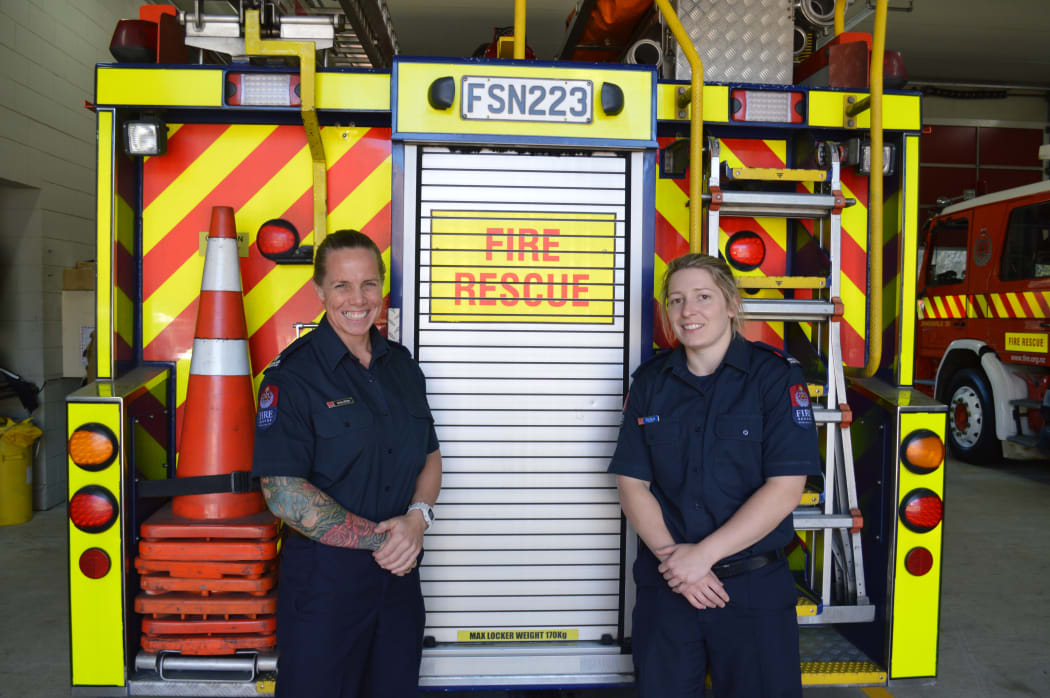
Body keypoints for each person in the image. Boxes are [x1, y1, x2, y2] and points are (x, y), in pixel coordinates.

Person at [608, 253, 821, 697]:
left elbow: (785, 488)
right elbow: (631, 483)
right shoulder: (649, 382)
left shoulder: (774, 378)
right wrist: (677, 562)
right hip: (668, 587)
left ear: (731, 304)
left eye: (703, 297)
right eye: (676, 300)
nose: (688, 311)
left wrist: (702, 557)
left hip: (753, 591)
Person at [252, 229, 442, 698]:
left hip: (400, 579)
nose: (358, 300)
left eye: (369, 284)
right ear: (319, 290)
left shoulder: (402, 367)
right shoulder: (292, 377)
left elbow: (430, 455)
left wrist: (418, 519)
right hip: (325, 586)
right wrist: (386, 539)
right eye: (342, 286)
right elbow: (284, 494)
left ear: (381, 287)